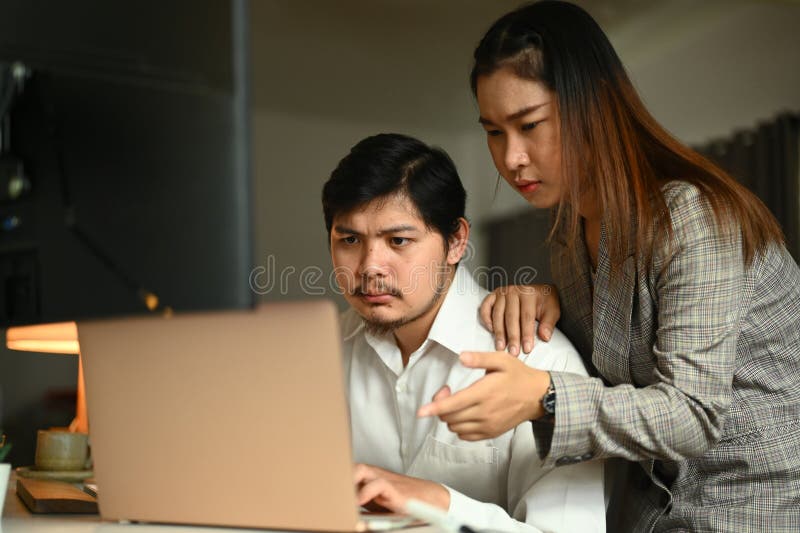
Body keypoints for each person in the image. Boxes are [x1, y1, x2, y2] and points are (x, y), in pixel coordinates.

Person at [416, 2, 800, 531]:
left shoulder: (692, 217)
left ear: (591, 106)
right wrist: (547, 297)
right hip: (655, 507)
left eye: (529, 124)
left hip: (764, 502)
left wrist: (544, 396)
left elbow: (694, 415)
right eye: (495, 132)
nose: (511, 158)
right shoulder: (571, 235)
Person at [321, 133, 605, 532]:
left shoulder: (541, 361)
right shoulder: (321, 352)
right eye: (350, 240)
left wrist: (442, 503)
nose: (370, 266)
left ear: (456, 241)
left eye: (398, 240)